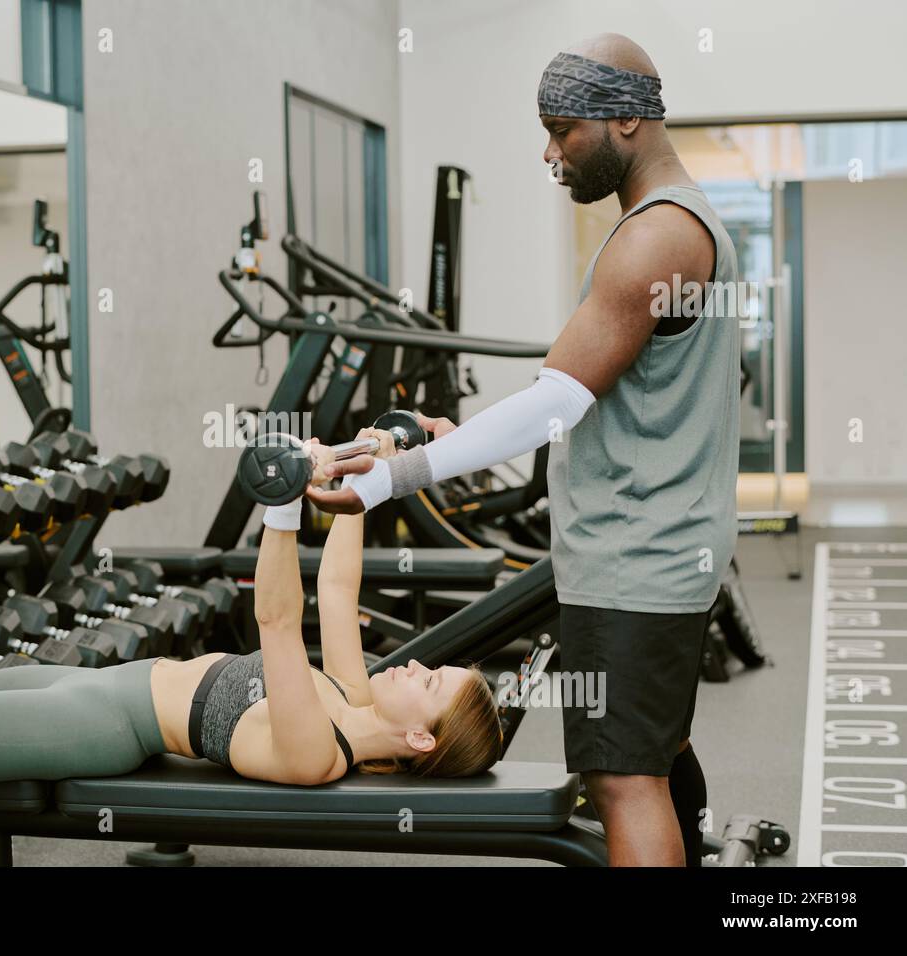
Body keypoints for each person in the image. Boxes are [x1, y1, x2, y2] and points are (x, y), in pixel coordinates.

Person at [308, 34, 739, 867]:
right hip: (659, 546)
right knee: (658, 752)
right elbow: (609, 391)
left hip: (635, 555)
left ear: (623, 121)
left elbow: (559, 400)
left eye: (562, 129)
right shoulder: (684, 220)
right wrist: (453, 437)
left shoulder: (657, 237)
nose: (550, 152)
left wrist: (392, 478)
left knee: (623, 779)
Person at [0, 428, 503, 866]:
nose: (415, 664)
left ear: (420, 740)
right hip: (103, 681)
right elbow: (333, 586)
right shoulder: (353, 697)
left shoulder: (319, 752)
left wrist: (282, 504)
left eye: (430, 682)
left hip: (102, 721)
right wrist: (371, 472)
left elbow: (274, 619)